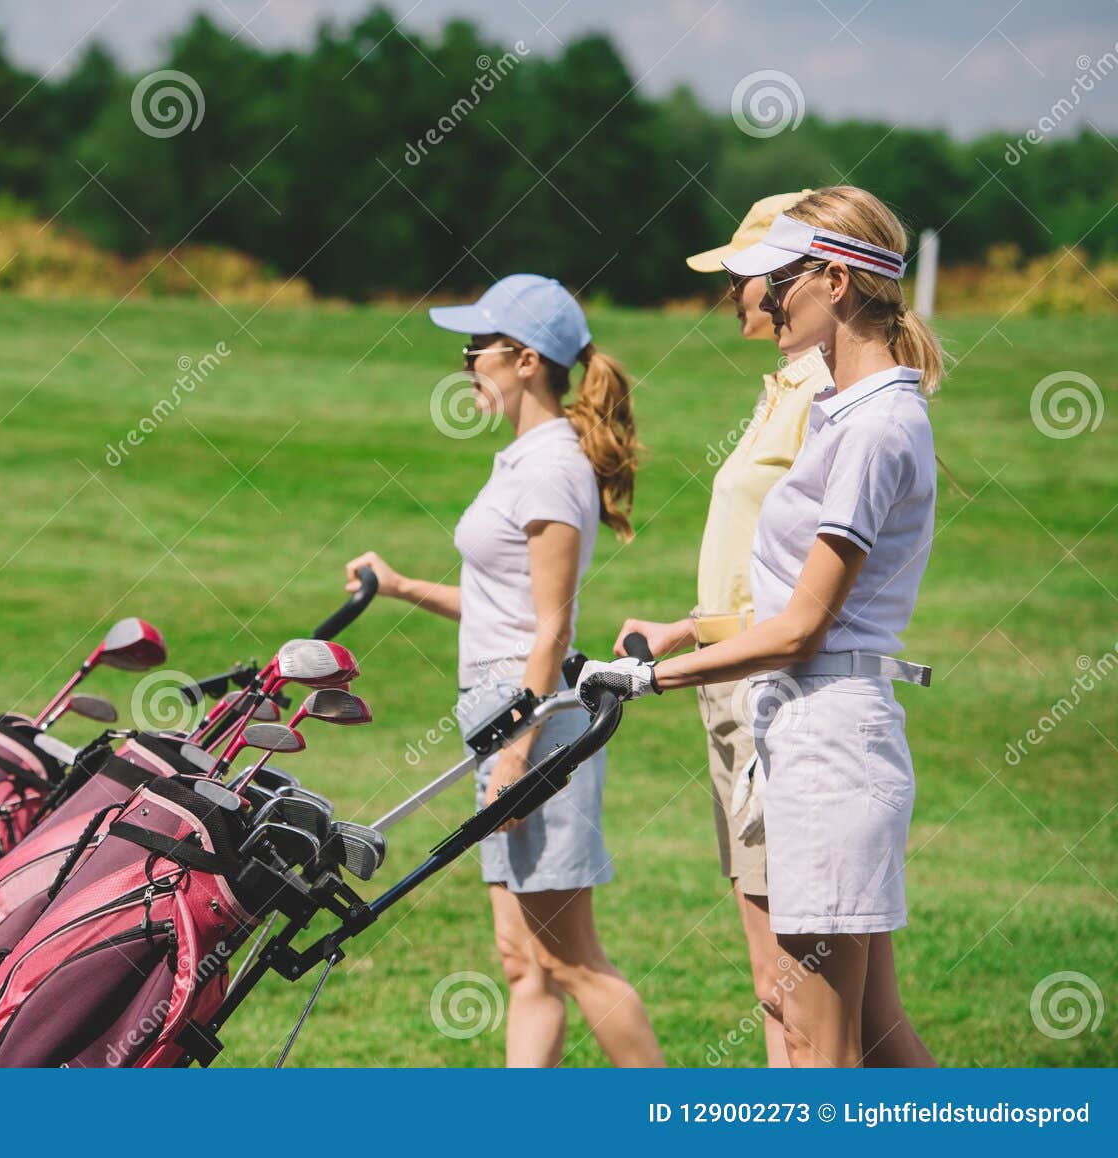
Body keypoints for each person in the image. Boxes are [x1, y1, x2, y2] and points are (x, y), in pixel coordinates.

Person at [577, 187, 940, 1068]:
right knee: (857, 1037)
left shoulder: (874, 426)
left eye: (779, 280)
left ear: (838, 280)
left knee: (821, 1047)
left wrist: (646, 677)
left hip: (829, 744)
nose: (762, 299)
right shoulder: (843, 412)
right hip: (811, 736)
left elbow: (800, 630)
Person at [346, 274, 662, 1067]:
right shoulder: (523, 458)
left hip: (533, 722)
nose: (465, 366)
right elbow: (508, 605)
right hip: (503, 710)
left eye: (475, 349)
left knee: (571, 959)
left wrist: (516, 750)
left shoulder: (552, 467)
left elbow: (551, 628)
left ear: (525, 361)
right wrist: (404, 586)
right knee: (523, 961)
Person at [613, 189, 823, 1067]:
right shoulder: (784, 388)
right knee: (774, 982)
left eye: (741, 277)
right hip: (725, 671)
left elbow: (816, 584)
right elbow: (763, 558)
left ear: (792, 280)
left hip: (767, 688)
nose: (734, 296)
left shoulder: (826, 394)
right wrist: (682, 627)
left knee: (797, 989)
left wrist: (686, 659)